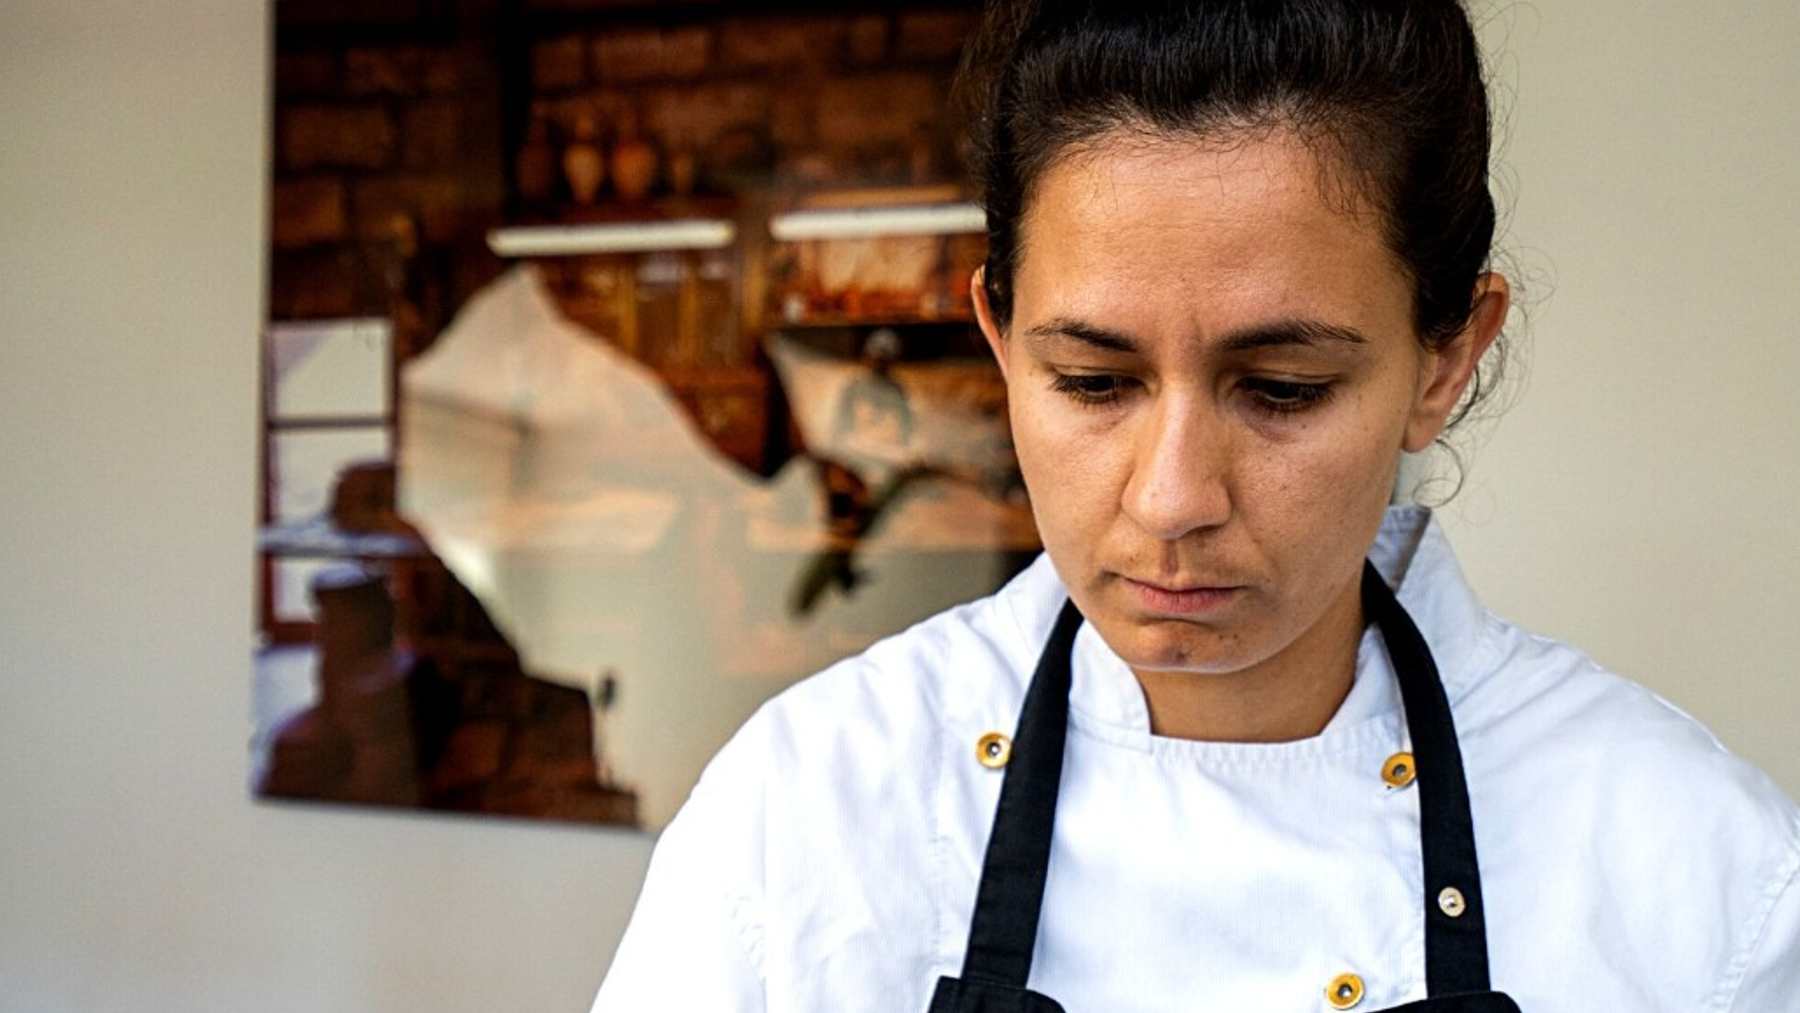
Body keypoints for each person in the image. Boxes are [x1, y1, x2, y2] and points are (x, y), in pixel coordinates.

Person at [591, 1, 1800, 1009]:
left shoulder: (1696, 872)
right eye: (1094, 381)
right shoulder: (803, 819)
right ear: (1000, 341)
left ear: (1445, 359)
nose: (1172, 496)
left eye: (1282, 388)